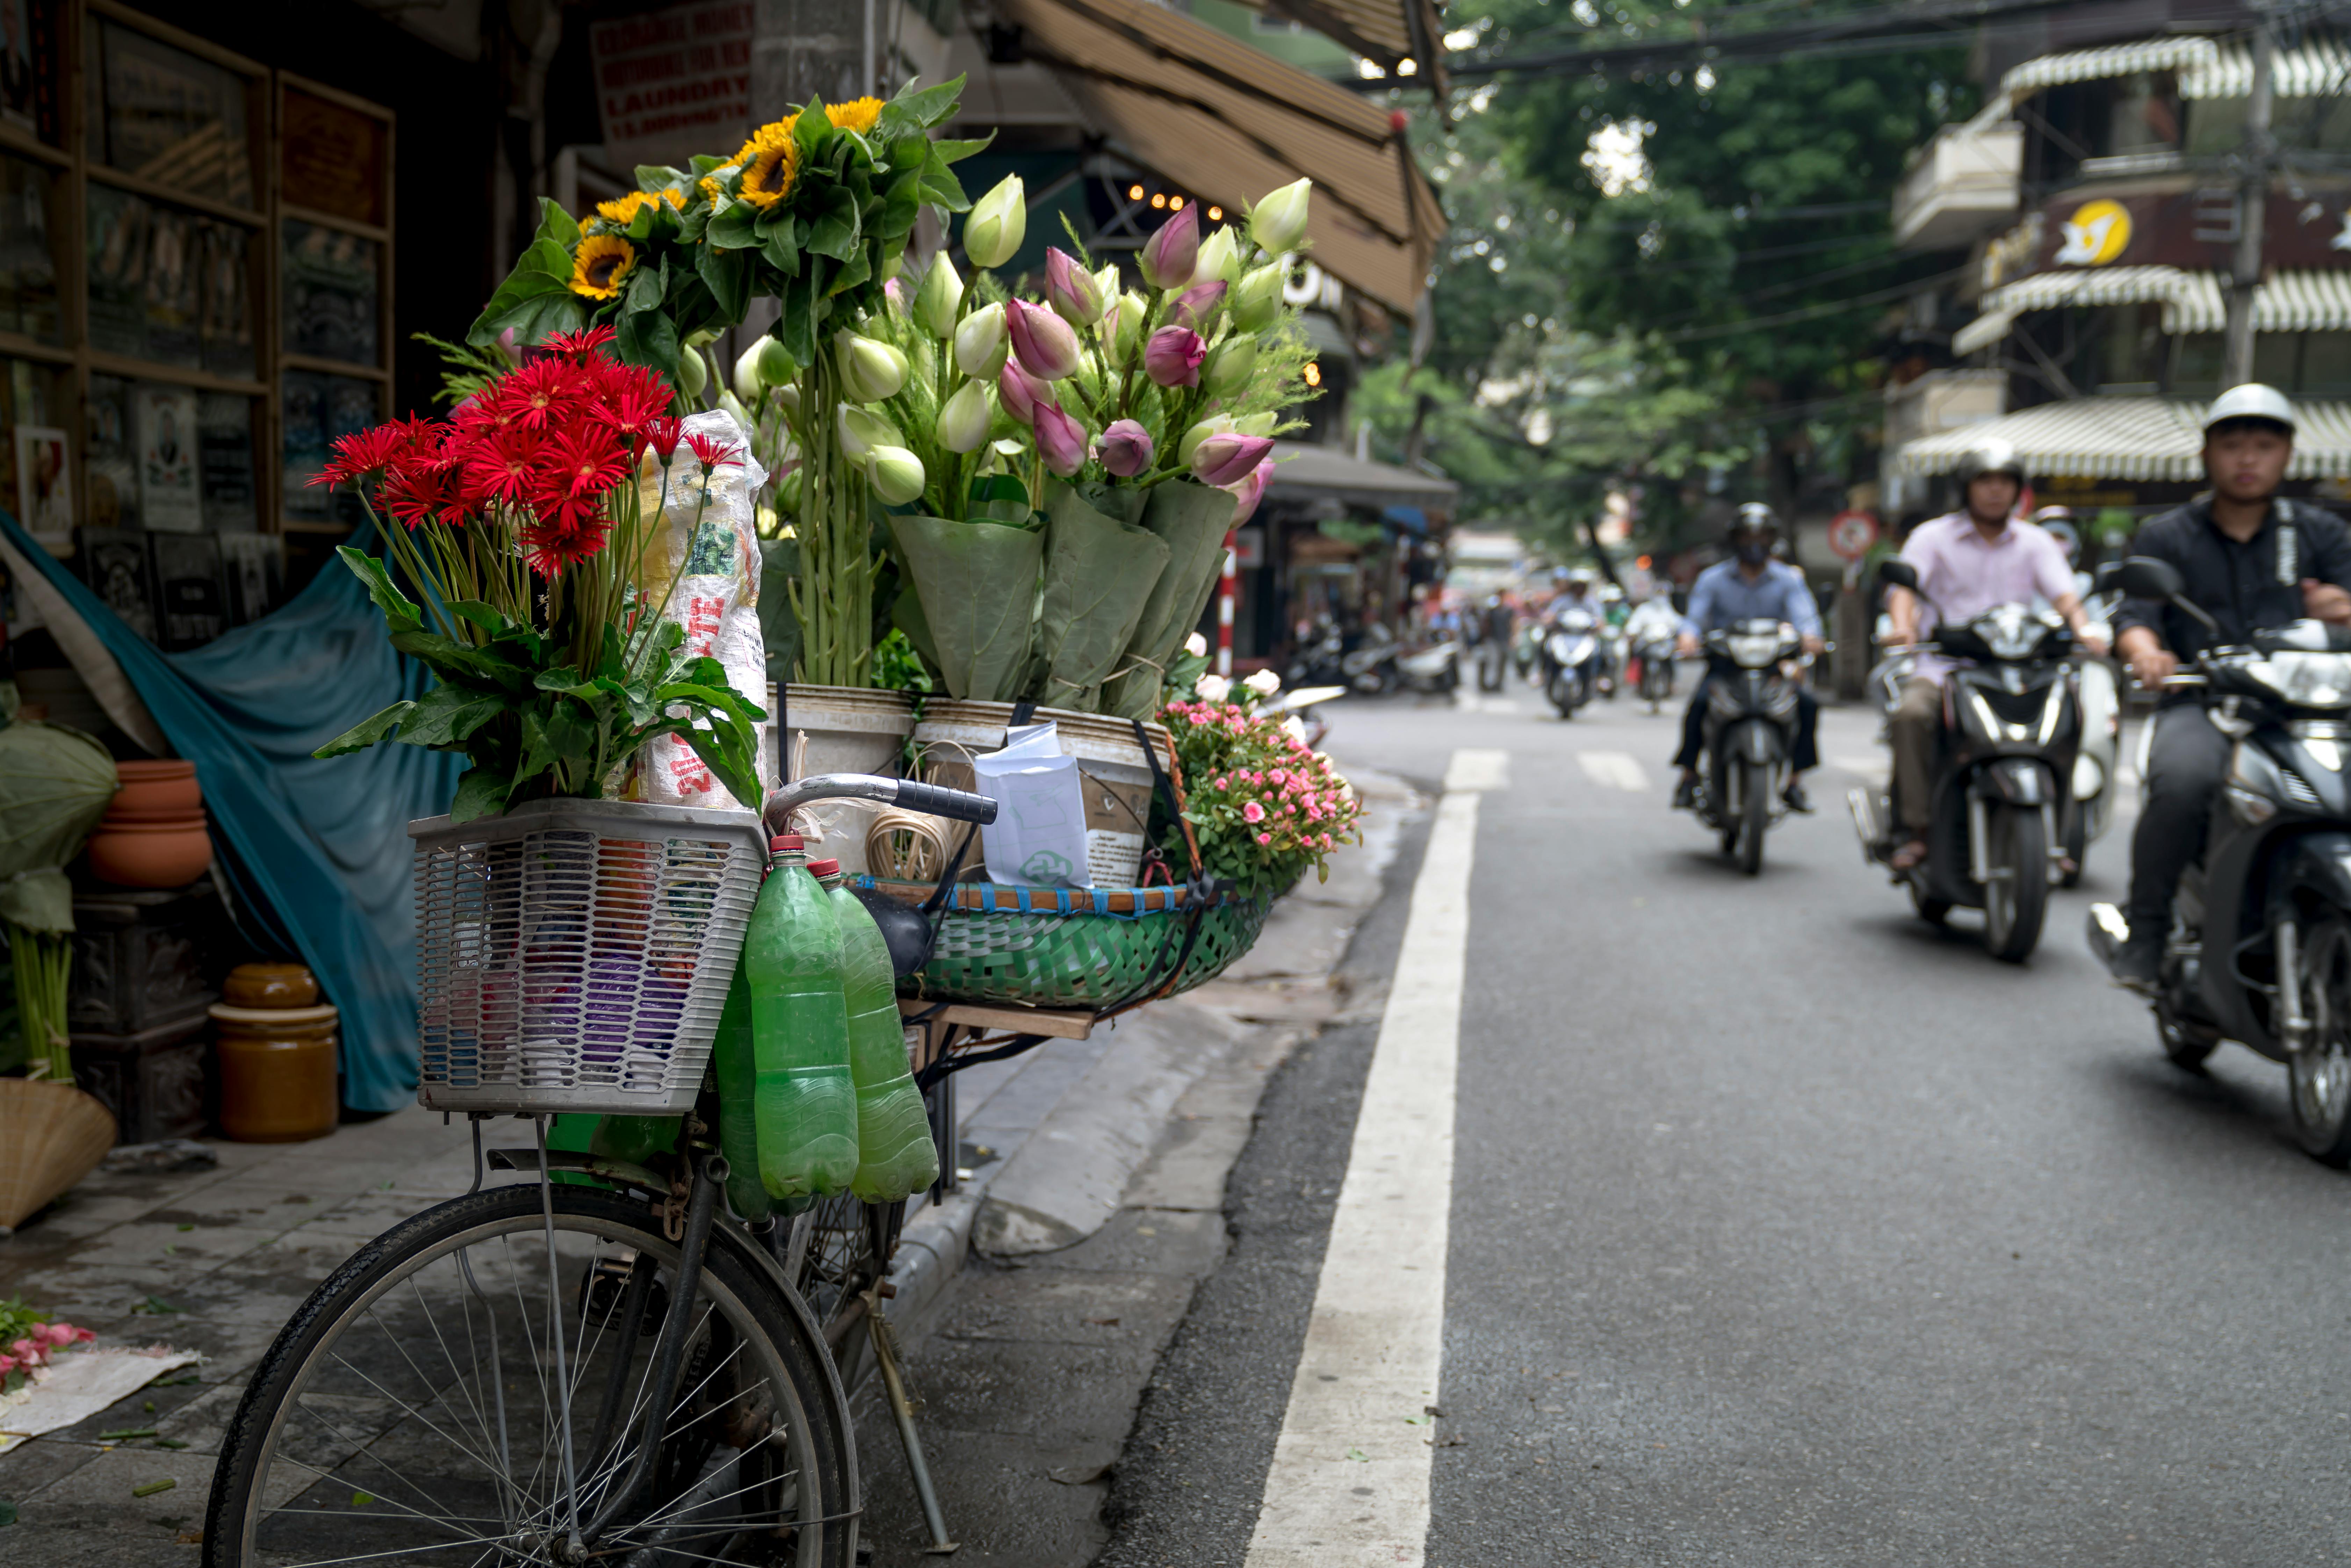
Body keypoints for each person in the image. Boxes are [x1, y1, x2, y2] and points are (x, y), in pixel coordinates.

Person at [2101, 384, 2351, 988]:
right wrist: (2149, 654)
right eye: (2232, 445)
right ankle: (2148, 928)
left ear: (2286, 454)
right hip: (2207, 705)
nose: (2247, 459)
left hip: (2312, 712)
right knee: (2181, 783)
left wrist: (2338, 610)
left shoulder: (2322, 533)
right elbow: (2134, 618)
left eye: (2263, 445)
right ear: (2206, 453)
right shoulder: (2167, 535)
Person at [1880, 440, 2106, 872]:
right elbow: (1904, 589)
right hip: (1945, 667)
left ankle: (2056, 834)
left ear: (2018, 488)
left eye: (2005, 481)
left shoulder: (2036, 541)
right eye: (1985, 480)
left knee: (2072, 712)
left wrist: (2084, 629)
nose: (1995, 491)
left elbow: (2065, 595)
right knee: (1911, 714)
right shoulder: (1931, 537)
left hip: (2020, 669)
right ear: (1966, 487)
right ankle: (1917, 829)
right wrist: (1903, 625)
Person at [1671, 504, 1825, 812]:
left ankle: (1794, 782)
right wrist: (1687, 637)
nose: (1754, 542)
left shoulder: (1788, 580)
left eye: (1761, 535)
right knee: (1699, 706)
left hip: (1771, 667)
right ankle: (1688, 776)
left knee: (1807, 706)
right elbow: (1694, 619)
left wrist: (1811, 638)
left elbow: (1806, 618)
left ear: (1772, 538)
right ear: (1734, 539)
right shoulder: (1712, 579)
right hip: (1726, 668)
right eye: (1747, 535)